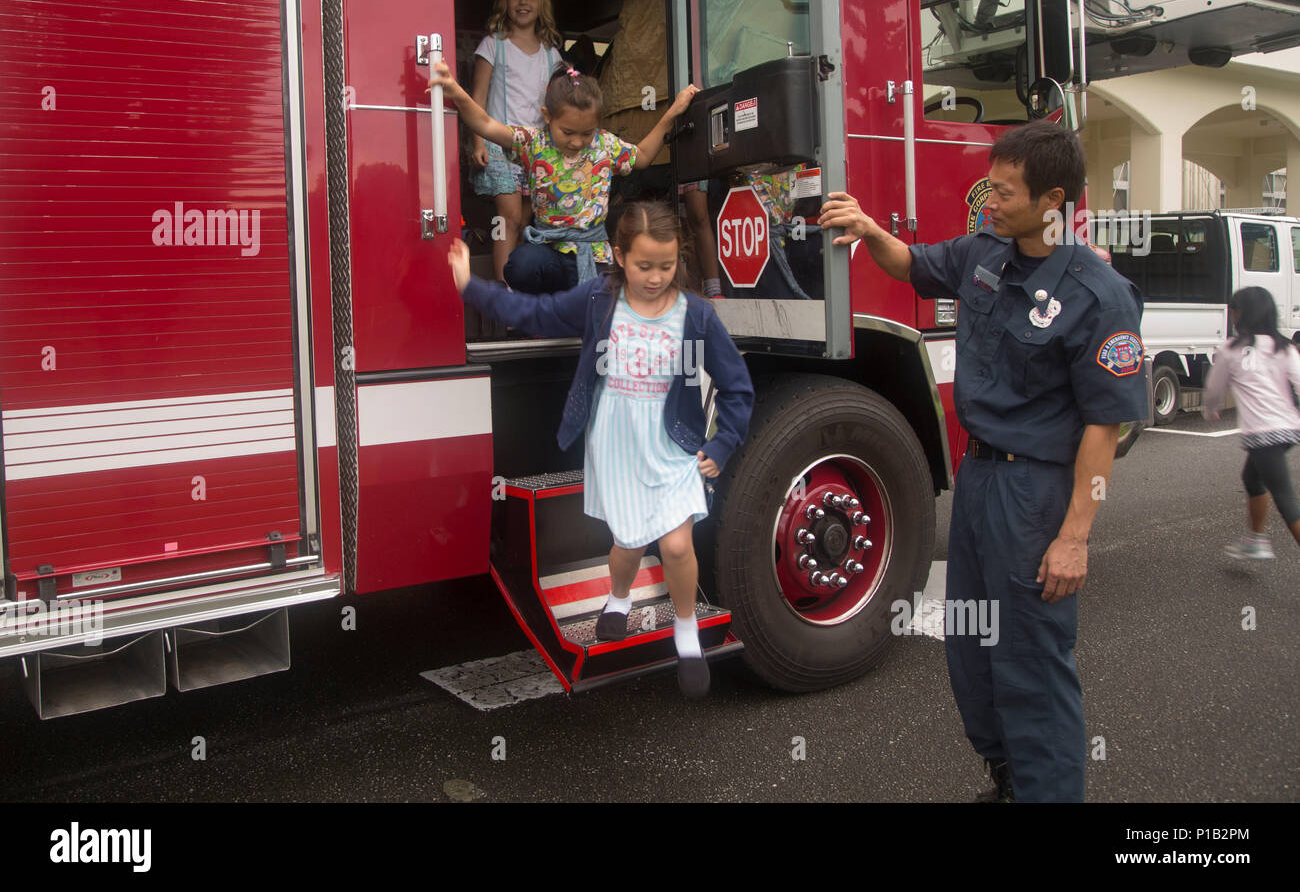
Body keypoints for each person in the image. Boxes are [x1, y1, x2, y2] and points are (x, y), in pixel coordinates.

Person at [817, 120, 1147, 802]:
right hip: (979, 481)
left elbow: (1104, 425)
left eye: (1002, 190)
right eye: (988, 186)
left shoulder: (1097, 294)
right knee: (971, 652)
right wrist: (871, 229)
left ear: (1053, 198)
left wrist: (1075, 536)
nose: (987, 200)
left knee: (1030, 661)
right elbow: (913, 265)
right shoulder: (986, 252)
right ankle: (1007, 777)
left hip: (1036, 490)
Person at [446, 201, 755, 696]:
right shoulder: (598, 300)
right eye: (644, 265)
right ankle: (617, 598)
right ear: (618, 255)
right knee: (629, 543)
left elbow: (737, 387)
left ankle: (686, 632)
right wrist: (471, 286)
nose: (655, 277)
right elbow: (538, 313)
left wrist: (723, 442)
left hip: (673, 445)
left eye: (667, 265)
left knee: (676, 545)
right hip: (614, 445)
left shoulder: (696, 315)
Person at [431, 59, 698, 293]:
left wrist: (673, 111)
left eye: (587, 133)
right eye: (568, 132)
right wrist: (455, 91)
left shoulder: (606, 145)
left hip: (593, 254)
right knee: (520, 266)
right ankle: (545, 307)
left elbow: (641, 156)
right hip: (548, 250)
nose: (577, 141)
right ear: (547, 117)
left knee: (608, 297)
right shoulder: (534, 143)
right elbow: (485, 124)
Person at [468, 0, 563, 282]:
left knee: (523, 220)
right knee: (508, 217)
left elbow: (561, 105)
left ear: (542, 3)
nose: (523, 2)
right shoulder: (494, 45)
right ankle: (504, 294)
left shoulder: (551, 55)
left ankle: (517, 287)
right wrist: (479, 141)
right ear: (505, 0)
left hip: (535, 150)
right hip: (499, 145)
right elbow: (477, 96)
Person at [1203, 286, 1300, 558]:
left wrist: (1211, 410)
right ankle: (1256, 539)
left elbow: (1214, 390)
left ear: (1242, 314)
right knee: (1251, 478)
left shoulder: (1232, 349)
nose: (1231, 314)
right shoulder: (1284, 347)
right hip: (1288, 430)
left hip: (1263, 434)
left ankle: (1256, 540)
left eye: (1233, 309)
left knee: (1286, 499)